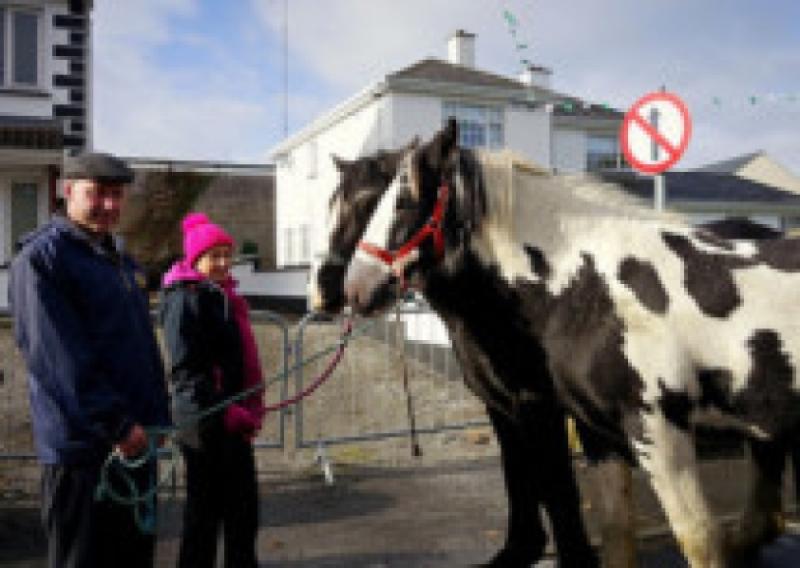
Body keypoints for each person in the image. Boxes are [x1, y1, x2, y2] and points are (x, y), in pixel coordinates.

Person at [8, 151, 171, 568]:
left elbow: (140, 346)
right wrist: (117, 423)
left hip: (134, 444)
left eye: (117, 195)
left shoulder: (120, 259)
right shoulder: (43, 260)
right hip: (83, 453)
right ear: (67, 192)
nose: (109, 205)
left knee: (133, 558)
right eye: (97, 193)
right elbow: (58, 359)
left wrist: (157, 416)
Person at [160, 212, 265, 568]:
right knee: (204, 517)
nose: (223, 262)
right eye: (214, 255)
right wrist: (226, 410)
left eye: (226, 253)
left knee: (242, 513)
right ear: (195, 260)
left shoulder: (221, 295)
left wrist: (247, 405)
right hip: (205, 422)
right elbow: (187, 371)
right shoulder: (185, 299)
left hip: (230, 417)